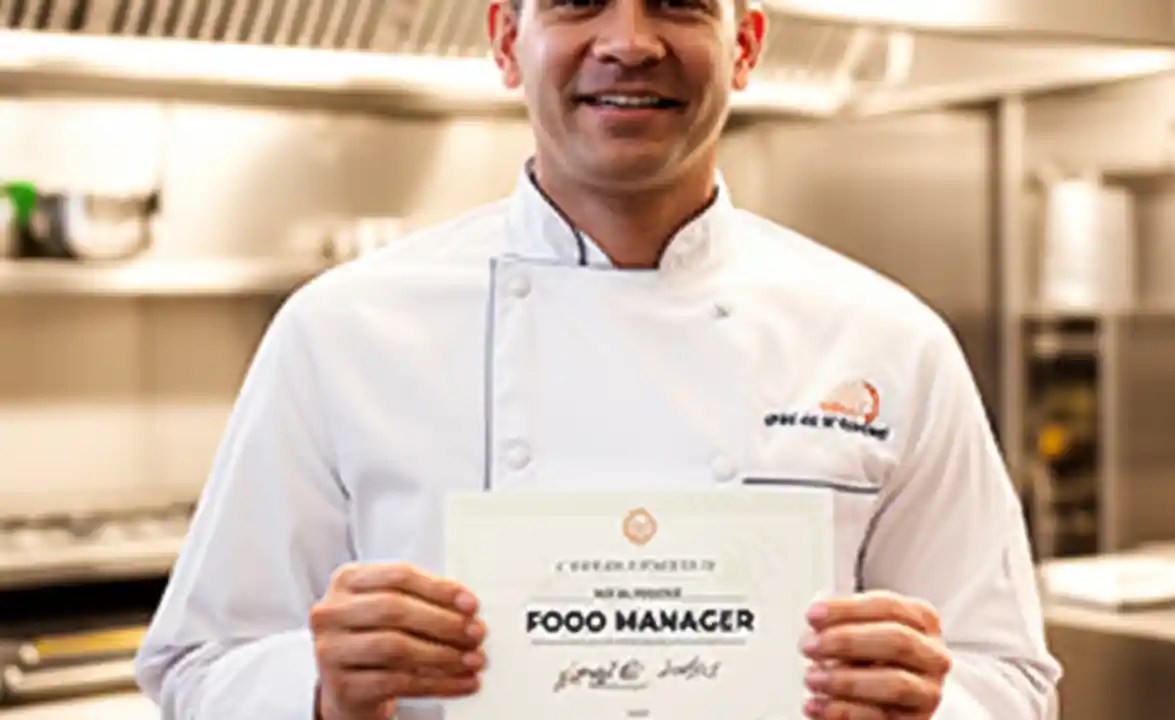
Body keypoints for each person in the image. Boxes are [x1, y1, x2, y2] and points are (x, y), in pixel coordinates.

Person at [135, 1, 1061, 718]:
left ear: (744, 45)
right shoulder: (340, 331)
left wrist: (927, 699)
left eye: (680, 5)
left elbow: (1012, 680)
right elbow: (193, 665)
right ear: (507, 40)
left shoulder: (886, 338)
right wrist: (320, 684)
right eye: (578, 2)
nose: (629, 41)